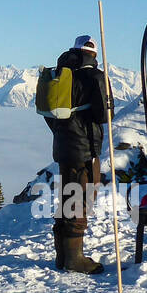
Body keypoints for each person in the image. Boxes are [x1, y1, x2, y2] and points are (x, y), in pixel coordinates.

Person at [45, 35, 112, 274]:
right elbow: (104, 115)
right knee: (80, 200)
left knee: (67, 197)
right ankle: (74, 259)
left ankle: (62, 256)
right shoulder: (94, 76)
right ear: (93, 54)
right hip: (84, 148)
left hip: (63, 146)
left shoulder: (59, 75)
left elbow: (50, 113)